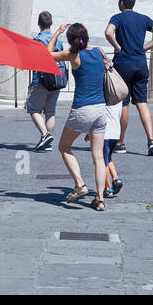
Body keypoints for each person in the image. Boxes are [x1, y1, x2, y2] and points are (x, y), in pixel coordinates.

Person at [48, 22, 109, 211]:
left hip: (82, 109)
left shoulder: (73, 55)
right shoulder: (99, 51)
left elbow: (47, 54)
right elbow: (108, 65)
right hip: (101, 109)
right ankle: (100, 199)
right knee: (99, 156)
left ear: (70, 39)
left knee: (64, 146)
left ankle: (80, 184)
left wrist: (56, 33)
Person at [105, 0, 153, 155]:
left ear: (122, 3)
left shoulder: (117, 18)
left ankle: (121, 142)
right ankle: (151, 140)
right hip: (140, 64)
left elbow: (108, 32)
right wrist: (145, 47)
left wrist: (117, 47)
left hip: (123, 64)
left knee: (123, 103)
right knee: (142, 102)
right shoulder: (143, 18)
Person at [25, 9, 62, 152]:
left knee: (33, 108)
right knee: (50, 112)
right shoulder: (57, 40)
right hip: (56, 79)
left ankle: (45, 134)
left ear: (38, 24)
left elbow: (33, 59)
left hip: (40, 80)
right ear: (51, 23)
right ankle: (48, 141)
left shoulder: (37, 40)